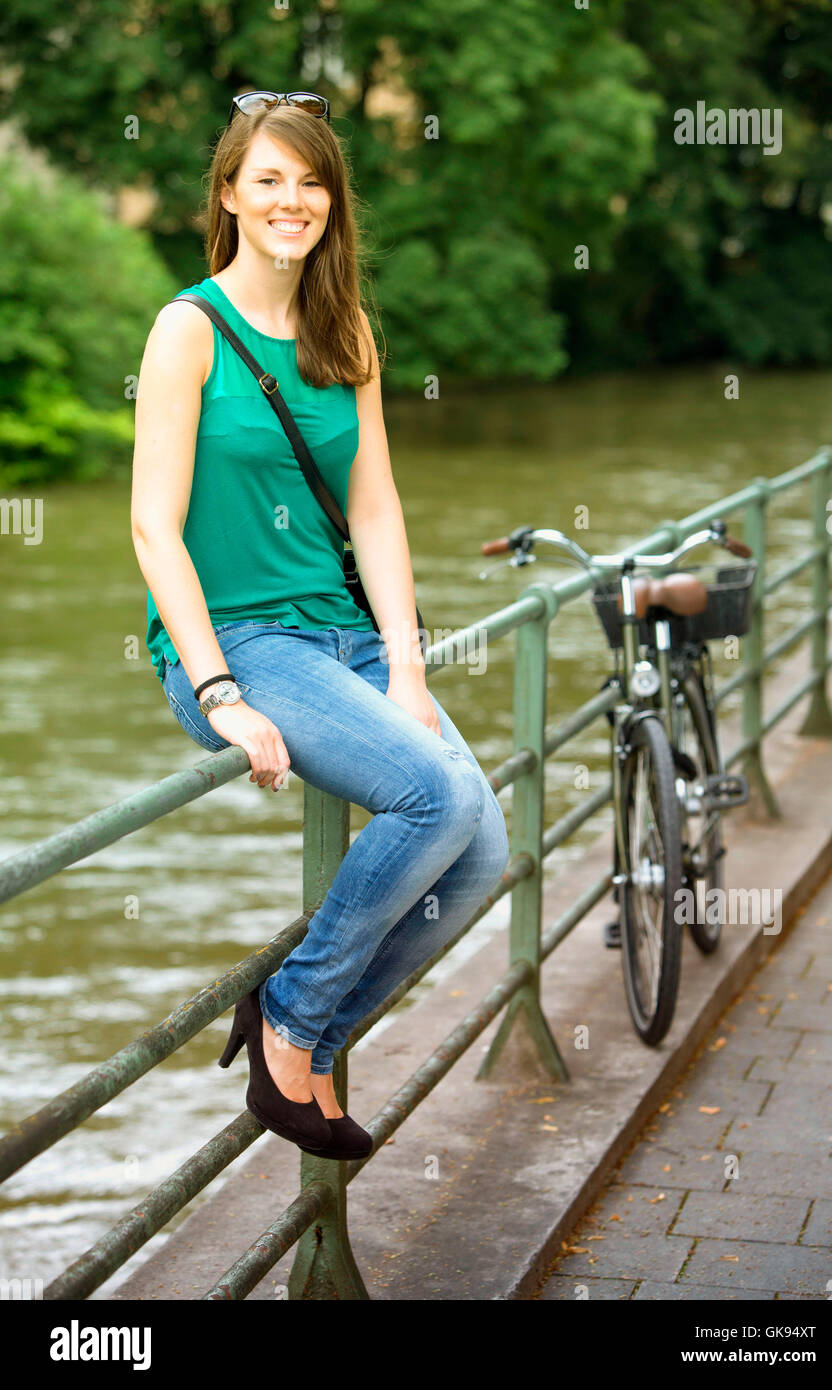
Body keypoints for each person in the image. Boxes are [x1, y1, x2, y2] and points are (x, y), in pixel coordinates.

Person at [130, 91, 510, 1160]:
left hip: (344, 638)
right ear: (229, 196)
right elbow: (153, 529)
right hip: (240, 645)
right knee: (430, 793)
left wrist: (406, 663)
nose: (292, 200)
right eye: (269, 180)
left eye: (311, 182)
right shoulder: (185, 330)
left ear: (331, 202)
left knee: (483, 851)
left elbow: (376, 506)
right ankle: (295, 1028)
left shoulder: (345, 329)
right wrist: (216, 690)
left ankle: (297, 1027)